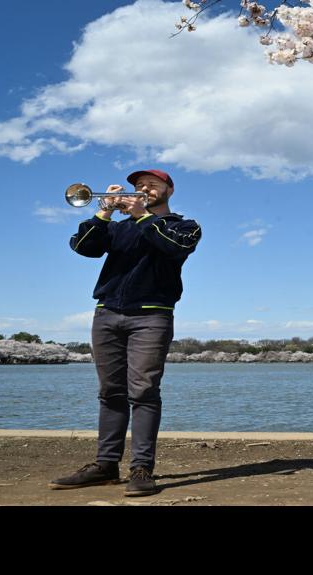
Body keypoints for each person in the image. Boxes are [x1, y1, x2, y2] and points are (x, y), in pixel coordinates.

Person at [49, 170, 201, 497]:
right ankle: (105, 466)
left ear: (169, 189)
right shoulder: (118, 227)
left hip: (152, 315)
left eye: (152, 185)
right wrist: (103, 212)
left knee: (144, 391)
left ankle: (142, 469)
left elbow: (173, 247)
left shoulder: (182, 226)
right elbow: (83, 247)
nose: (144, 189)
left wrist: (142, 215)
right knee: (110, 392)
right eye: (138, 186)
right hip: (106, 314)